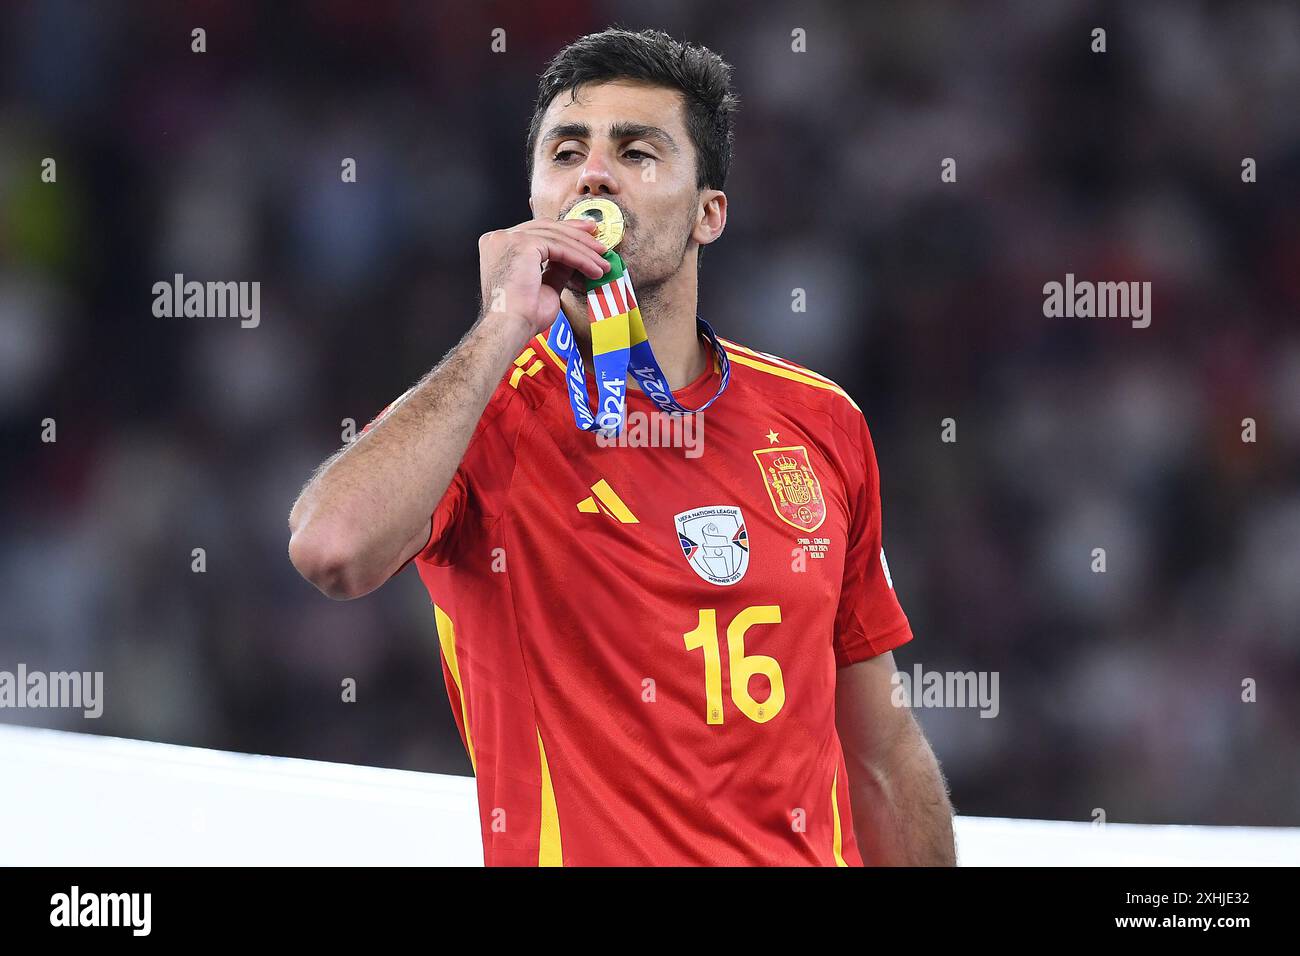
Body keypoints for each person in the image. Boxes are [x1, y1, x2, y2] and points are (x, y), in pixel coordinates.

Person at [289, 27, 954, 866]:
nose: (594, 174)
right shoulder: (482, 415)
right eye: (566, 152)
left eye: (637, 152)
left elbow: (882, 753)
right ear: (536, 198)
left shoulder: (819, 421)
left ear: (709, 213)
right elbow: (331, 548)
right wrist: (502, 325)